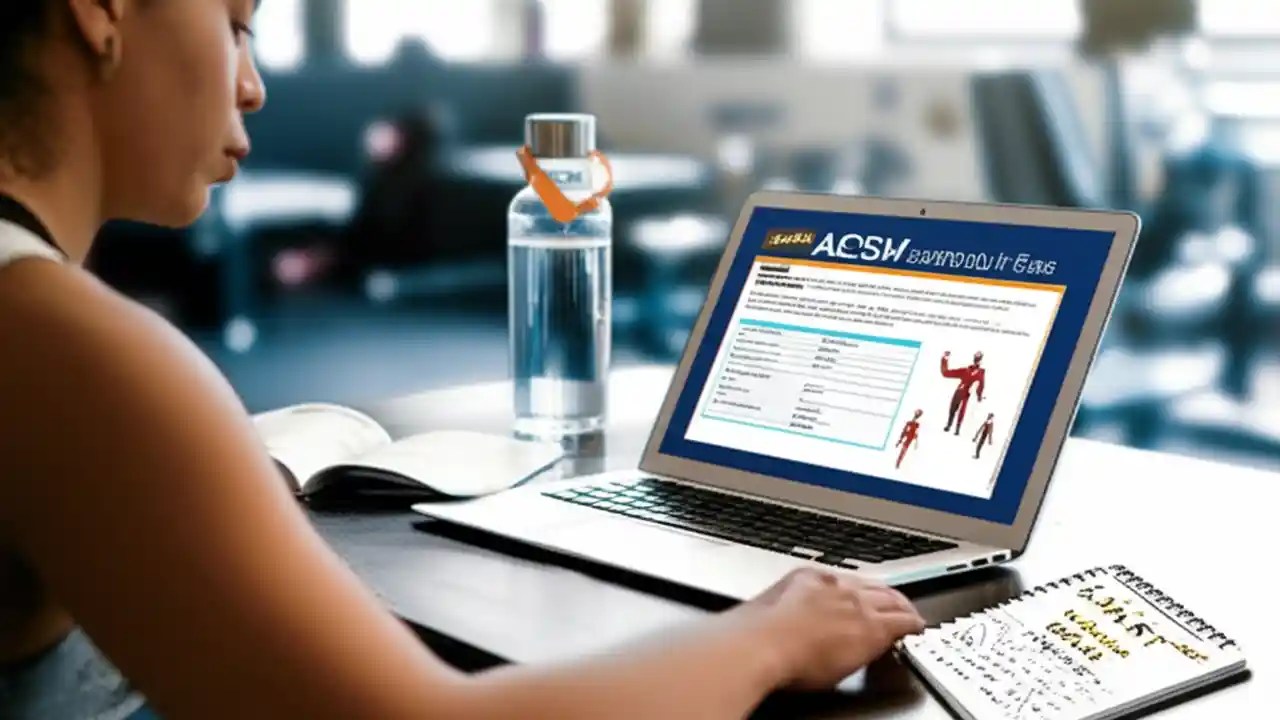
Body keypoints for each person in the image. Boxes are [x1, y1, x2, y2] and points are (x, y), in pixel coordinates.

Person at [0, 3, 925, 719]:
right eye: (234, 25)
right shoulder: (62, 343)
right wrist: (776, 632)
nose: (253, 86)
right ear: (103, 10)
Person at [940, 350, 985, 435]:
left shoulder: (981, 373)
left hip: (967, 394)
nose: (977, 361)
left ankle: (957, 428)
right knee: (953, 408)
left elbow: (981, 386)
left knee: (962, 410)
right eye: (976, 358)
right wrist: (945, 359)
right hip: (959, 391)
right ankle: (949, 425)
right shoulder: (966, 370)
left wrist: (979, 396)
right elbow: (946, 373)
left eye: (978, 359)